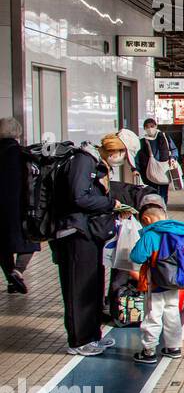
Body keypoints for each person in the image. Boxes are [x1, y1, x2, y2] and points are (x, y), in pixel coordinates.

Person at [52, 134, 124, 356]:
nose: (121, 159)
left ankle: (92, 336)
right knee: (78, 288)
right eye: (122, 154)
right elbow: (78, 197)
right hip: (75, 234)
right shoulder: (83, 161)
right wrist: (110, 203)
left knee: (91, 287)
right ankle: (78, 341)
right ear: (113, 152)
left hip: (88, 233)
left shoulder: (93, 162)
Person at [129, 199, 184, 364]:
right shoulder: (182, 231)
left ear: (146, 220)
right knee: (172, 314)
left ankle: (149, 351)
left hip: (156, 285)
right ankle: (173, 348)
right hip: (176, 283)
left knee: (153, 316)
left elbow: (136, 257)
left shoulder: (151, 235)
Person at [0, 117, 39, 294]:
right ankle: (17, 272)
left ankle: (11, 278)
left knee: (2, 245)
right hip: (20, 205)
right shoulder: (21, 154)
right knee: (30, 240)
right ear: (17, 132)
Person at [137, 118, 177, 202]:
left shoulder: (164, 137)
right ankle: (155, 209)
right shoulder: (142, 141)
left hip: (164, 169)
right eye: (147, 127)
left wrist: (173, 157)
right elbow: (137, 157)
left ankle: (162, 210)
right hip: (148, 171)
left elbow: (173, 149)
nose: (150, 129)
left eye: (152, 126)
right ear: (144, 128)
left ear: (156, 126)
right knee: (151, 192)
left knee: (163, 193)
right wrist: (136, 169)